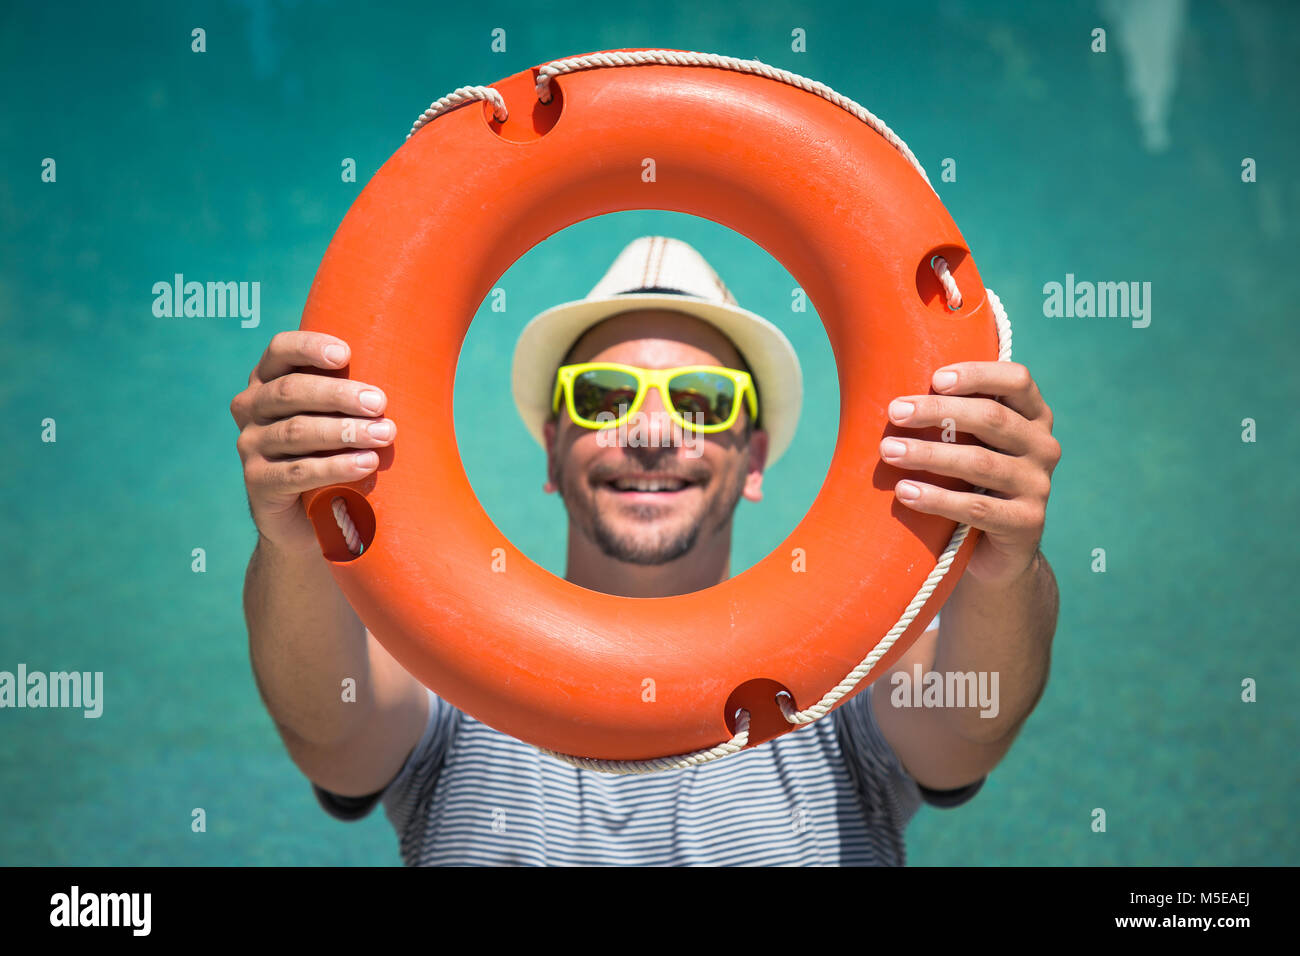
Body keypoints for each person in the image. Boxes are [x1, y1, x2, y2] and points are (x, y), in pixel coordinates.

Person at [232, 236, 1061, 865]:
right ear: (552, 449)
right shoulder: (452, 667)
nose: (655, 430)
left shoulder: (846, 673)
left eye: (702, 401)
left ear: (757, 458)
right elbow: (330, 736)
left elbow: (972, 722)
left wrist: (1005, 567)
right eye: (602, 398)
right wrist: (294, 545)